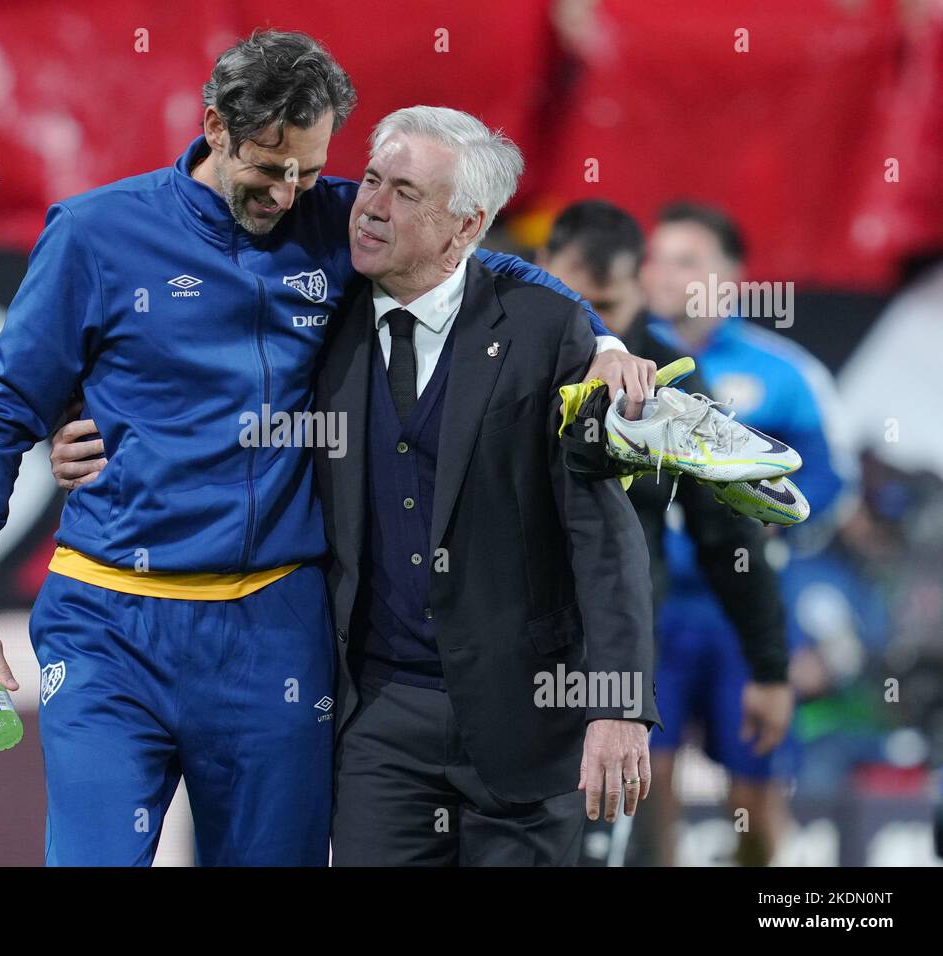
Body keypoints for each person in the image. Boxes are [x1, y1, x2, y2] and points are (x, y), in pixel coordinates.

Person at [0, 29, 652, 867]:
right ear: (213, 127)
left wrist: (597, 340)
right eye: (268, 169)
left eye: (308, 168)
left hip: (272, 632)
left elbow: (490, 267)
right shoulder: (95, 236)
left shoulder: (335, 223)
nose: (288, 192)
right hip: (109, 627)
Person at [315, 108, 658, 866]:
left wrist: (619, 705)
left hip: (530, 716)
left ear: (465, 226)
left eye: (405, 193)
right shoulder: (320, 313)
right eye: (371, 178)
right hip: (377, 718)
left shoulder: (546, 332)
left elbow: (602, 534)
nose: (370, 206)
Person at [538, 199, 793, 866]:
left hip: (613, 651)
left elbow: (727, 538)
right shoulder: (497, 359)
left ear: (637, 288)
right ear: (541, 272)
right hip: (498, 650)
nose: (594, 328)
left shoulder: (670, 379)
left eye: (609, 307)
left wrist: (769, 667)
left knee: (609, 844)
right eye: (576, 303)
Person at [638, 201, 857, 865]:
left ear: (729, 276)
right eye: (656, 258)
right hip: (652, 607)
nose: (664, 274)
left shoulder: (783, 373)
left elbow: (832, 478)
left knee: (755, 791)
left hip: (744, 610)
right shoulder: (618, 361)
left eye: (686, 260)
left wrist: (767, 526)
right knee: (648, 781)